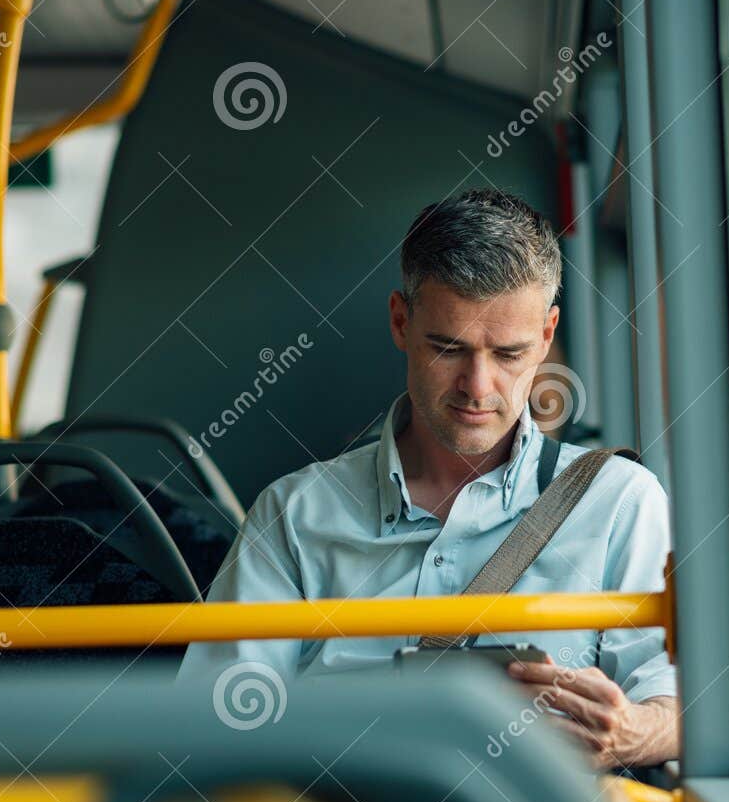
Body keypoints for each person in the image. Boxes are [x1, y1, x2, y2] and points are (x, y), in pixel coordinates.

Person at [178, 189, 678, 768]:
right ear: (400, 321)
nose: (478, 387)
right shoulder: (294, 514)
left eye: (510, 354)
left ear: (546, 336)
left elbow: (681, 700)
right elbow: (212, 728)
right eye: (449, 349)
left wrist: (634, 732)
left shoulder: (619, 502)